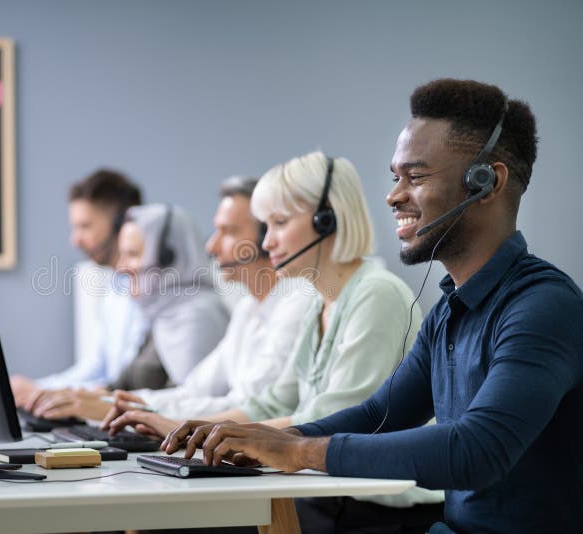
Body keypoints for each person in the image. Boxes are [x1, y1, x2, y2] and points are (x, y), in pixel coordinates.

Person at [164, 80, 583, 533]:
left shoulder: (543, 305)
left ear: (487, 182)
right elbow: (378, 416)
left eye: (416, 177)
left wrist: (300, 452)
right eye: (395, 177)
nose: (393, 195)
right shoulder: (449, 312)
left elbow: (477, 450)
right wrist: (272, 438)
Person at [110, 151, 443, 529]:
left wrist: (235, 437)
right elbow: (275, 401)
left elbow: (337, 417)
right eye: (265, 226)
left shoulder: (375, 294)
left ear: (327, 220)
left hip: (379, 509)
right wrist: (196, 428)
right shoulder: (319, 300)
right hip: (326, 493)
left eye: (279, 223)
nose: (266, 242)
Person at [97, 176, 313, 435]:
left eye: (229, 232)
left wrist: (147, 412)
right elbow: (195, 389)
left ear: (266, 238)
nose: (212, 246)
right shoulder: (247, 309)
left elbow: (250, 406)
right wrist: (134, 405)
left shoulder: (295, 306)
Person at [28, 203, 231, 421]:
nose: (121, 267)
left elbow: (192, 407)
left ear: (168, 257)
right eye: (122, 254)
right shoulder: (163, 313)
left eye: (132, 254)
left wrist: (108, 405)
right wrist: (74, 396)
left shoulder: (198, 316)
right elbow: (121, 384)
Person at [9, 169, 146, 409]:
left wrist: (41, 392)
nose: (75, 240)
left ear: (121, 225)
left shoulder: (151, 293)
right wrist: (37, 388)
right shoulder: (114, 288)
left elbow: (126, 384)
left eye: (85, 226)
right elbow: (96, 368)